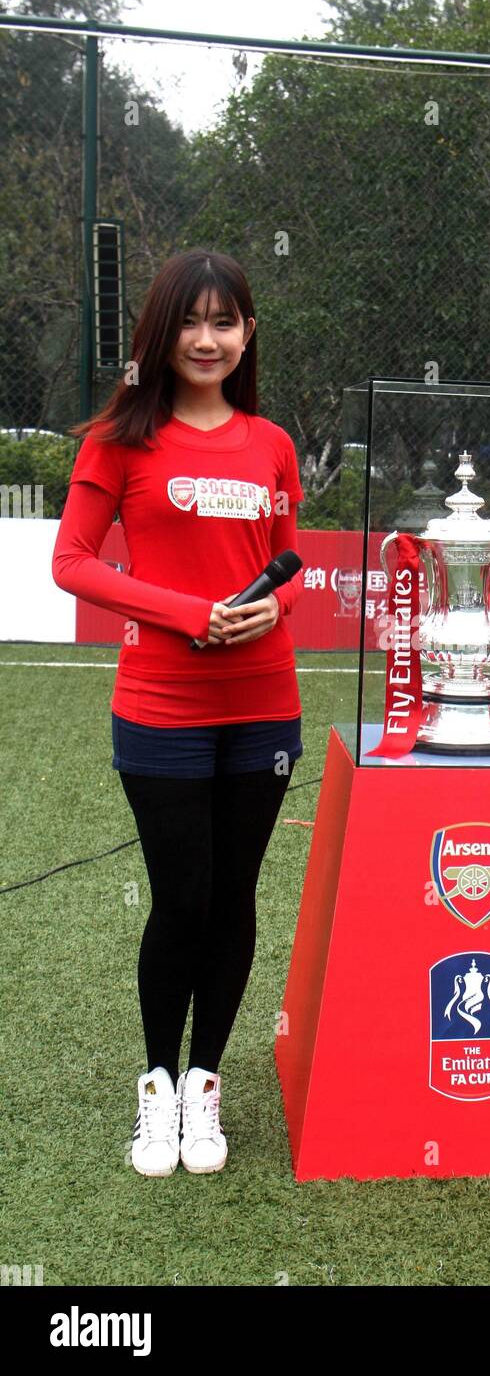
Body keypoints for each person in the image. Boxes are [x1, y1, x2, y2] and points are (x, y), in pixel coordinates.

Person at [52, 249, 305, 1177]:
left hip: (265, 706)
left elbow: (290, 562)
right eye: (191, 322)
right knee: (182, 897)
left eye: (226, 321)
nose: (208, 339)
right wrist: (191, 615)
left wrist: (271, 608)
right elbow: (73, 562)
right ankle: (156, 1086)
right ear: (161, 334)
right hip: (160, 706)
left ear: (248, 334)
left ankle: (206, 1084)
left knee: (234, 901)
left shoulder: (271, 443)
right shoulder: (119, 438)